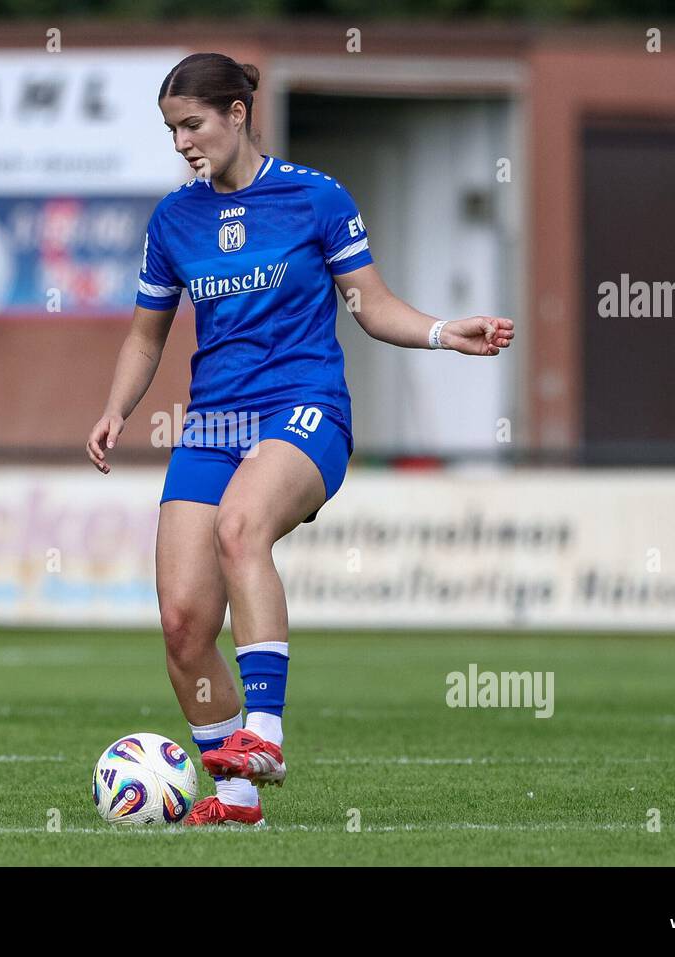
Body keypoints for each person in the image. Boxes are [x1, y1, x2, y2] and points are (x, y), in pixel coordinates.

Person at [86, 52, 514, 826]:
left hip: (304, 409)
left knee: (240, 525)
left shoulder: (316, 198)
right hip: (213, 423)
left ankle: (266, 734)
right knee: (184, 624)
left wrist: (449, 332)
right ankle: (239, 798)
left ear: (237, 114)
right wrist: (117, 407)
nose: (182, 142)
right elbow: (146, 338)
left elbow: (373, 307)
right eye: (171, 130)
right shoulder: (173, 220)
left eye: (193, 124)